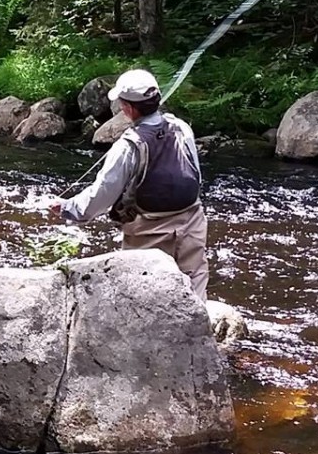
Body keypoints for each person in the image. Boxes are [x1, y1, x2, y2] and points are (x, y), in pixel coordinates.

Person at [52, 68, 209, 299]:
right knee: (195, 293)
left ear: (128, 108)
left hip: (148, 234)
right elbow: (196, 176)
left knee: (147, 300)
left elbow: (102, 194)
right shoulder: (182, 128)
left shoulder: (128, 146)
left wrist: (67, 208)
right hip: (192, 225)